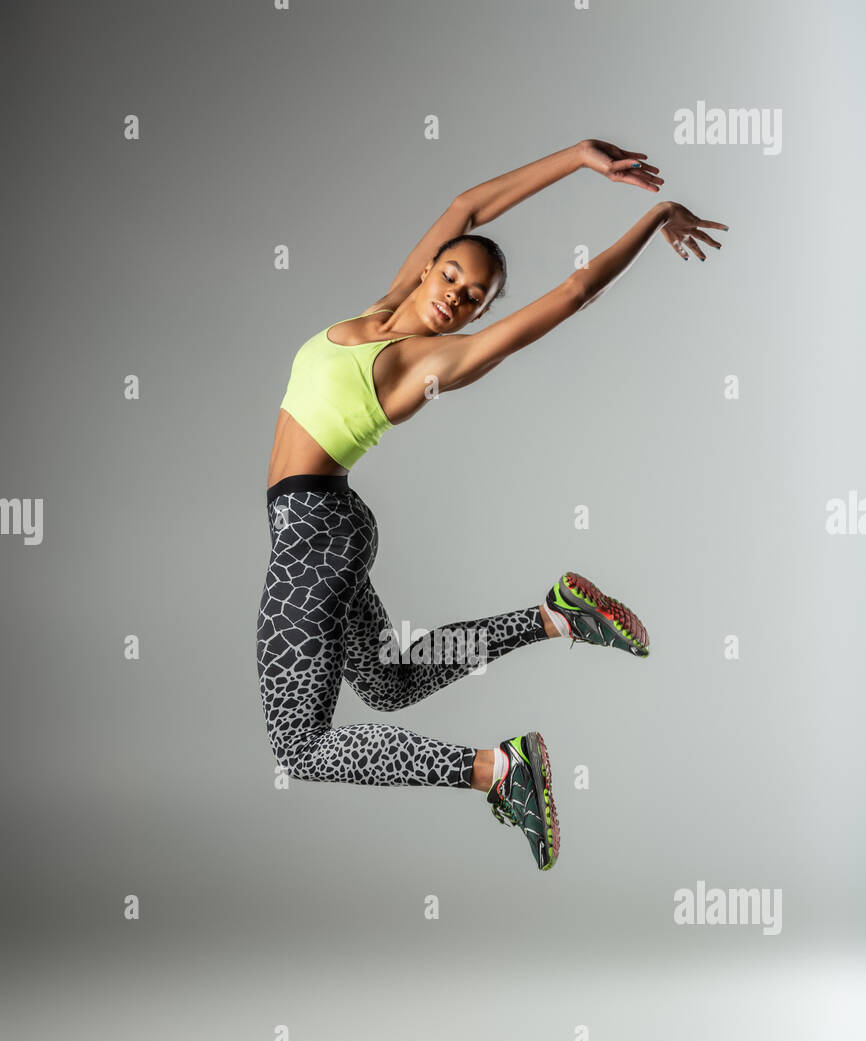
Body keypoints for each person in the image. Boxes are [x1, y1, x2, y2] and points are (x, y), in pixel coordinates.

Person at [257, 137, 727, 870]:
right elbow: (467, 205)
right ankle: (555, 617)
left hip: (314, 531)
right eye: (452, 275)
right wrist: (576, 157)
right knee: (386, 681)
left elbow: (572, 295)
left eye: (474, 297)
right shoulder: (379, 308)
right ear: (427, 269)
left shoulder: (433, 361)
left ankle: (500, 771)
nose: (457, 294)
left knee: (303, 746)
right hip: (322, 527)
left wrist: (655, 215)